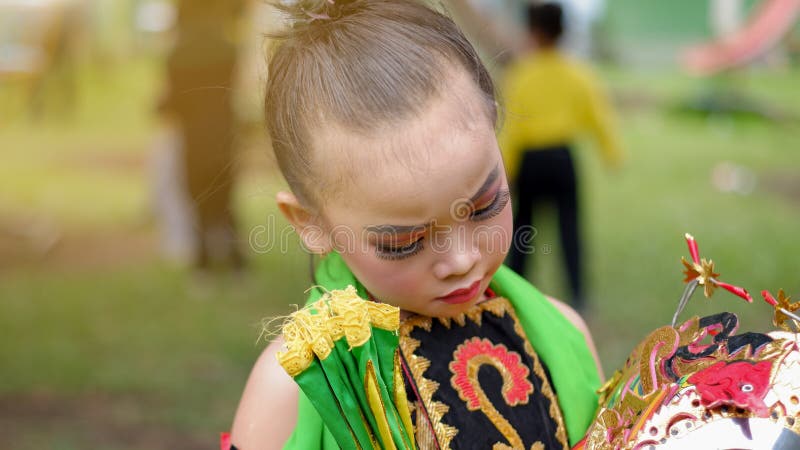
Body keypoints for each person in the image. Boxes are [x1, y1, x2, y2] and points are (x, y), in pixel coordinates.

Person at [229, 1, 603, 448]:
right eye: (405, 242)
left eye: (484, 205)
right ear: (311, 223)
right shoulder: (294, 388)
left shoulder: (562, 338)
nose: (462, 260)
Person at [500, 3, 623, 311]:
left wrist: (506, 169)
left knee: (523, 229)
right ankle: (578, 294)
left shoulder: (520, 74)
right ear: (562, 31)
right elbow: (598, 114)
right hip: (562, 159)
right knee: (570, 227)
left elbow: (511, 127)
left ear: (532, 32)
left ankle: (514, 289)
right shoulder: (577, 73)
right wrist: (612, 152)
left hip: (530, 162)